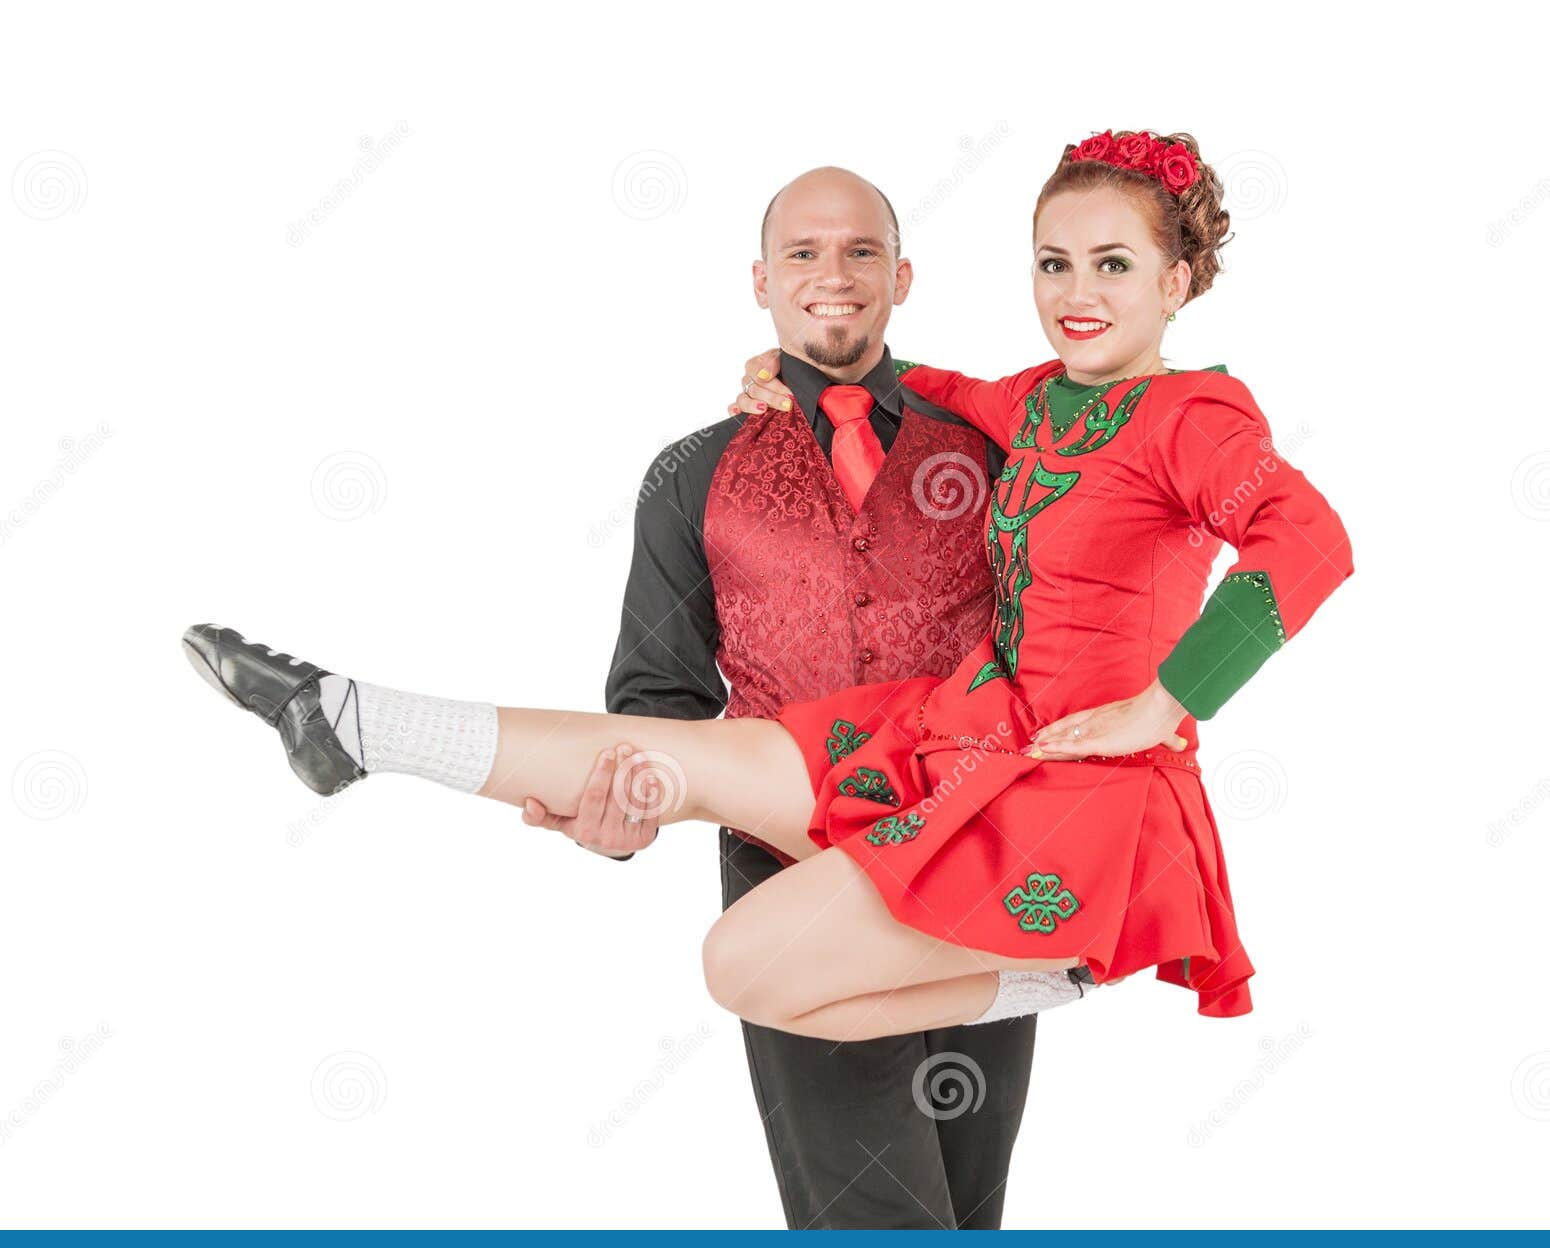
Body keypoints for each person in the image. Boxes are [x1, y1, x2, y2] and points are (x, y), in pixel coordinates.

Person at [183, 124, 1350, 1071]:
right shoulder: (1035, 402)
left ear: (1178, 280)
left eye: (1113, 265)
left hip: (1072, 793)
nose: (1076, 293)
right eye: (1054, 264)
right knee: (695, 756)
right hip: (957, 740)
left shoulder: (1193, 419)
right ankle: (351, 721)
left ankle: (1047, 976)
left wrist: (1165, 701)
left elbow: (1309, 539)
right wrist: (783, 369)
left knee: (740, 968)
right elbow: (922, 383)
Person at [524, 164, 1051, 1229]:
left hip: (978, 861)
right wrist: (619, 817)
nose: (832, 274)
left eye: (860, 251)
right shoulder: (691, 473)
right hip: (789, 881)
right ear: (760, 281)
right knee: (872, 1232)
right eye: (802, 253)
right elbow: (659, 699)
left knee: (969, 1217)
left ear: (902, 276)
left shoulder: (1001, 450)